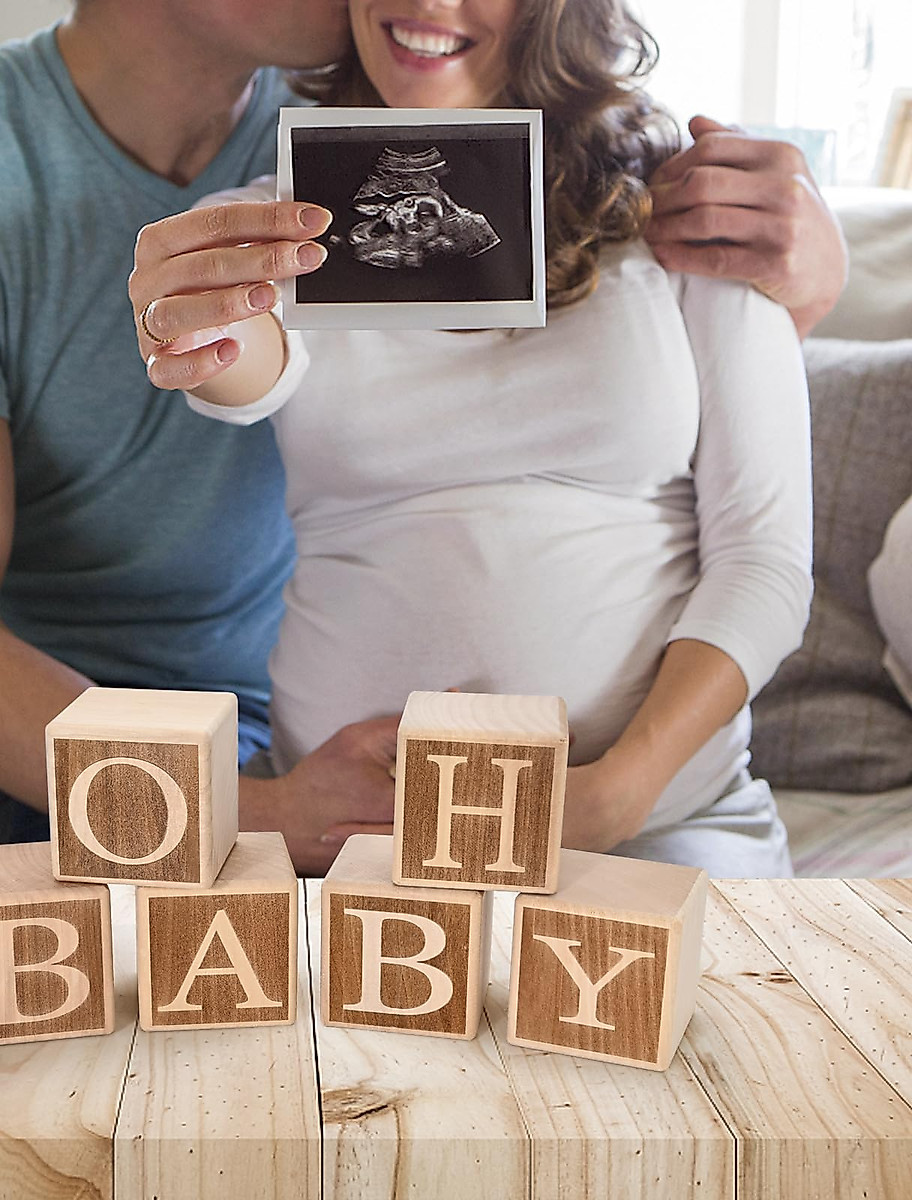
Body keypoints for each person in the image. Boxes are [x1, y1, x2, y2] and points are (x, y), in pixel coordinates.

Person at [0, 0, 842, 879]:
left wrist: (802, 266)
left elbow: (738, 499)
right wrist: (256, 811)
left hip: (305, 722)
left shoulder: (427, 120)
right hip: (90, 704)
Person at [129, 0, 816, 874]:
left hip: (656, 821)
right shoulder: (271, 220)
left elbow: (765, 557)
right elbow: (243, 363)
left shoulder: (692, 207)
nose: (425, 3)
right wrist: (192, 330)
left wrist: (617, 791)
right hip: (353, 833)